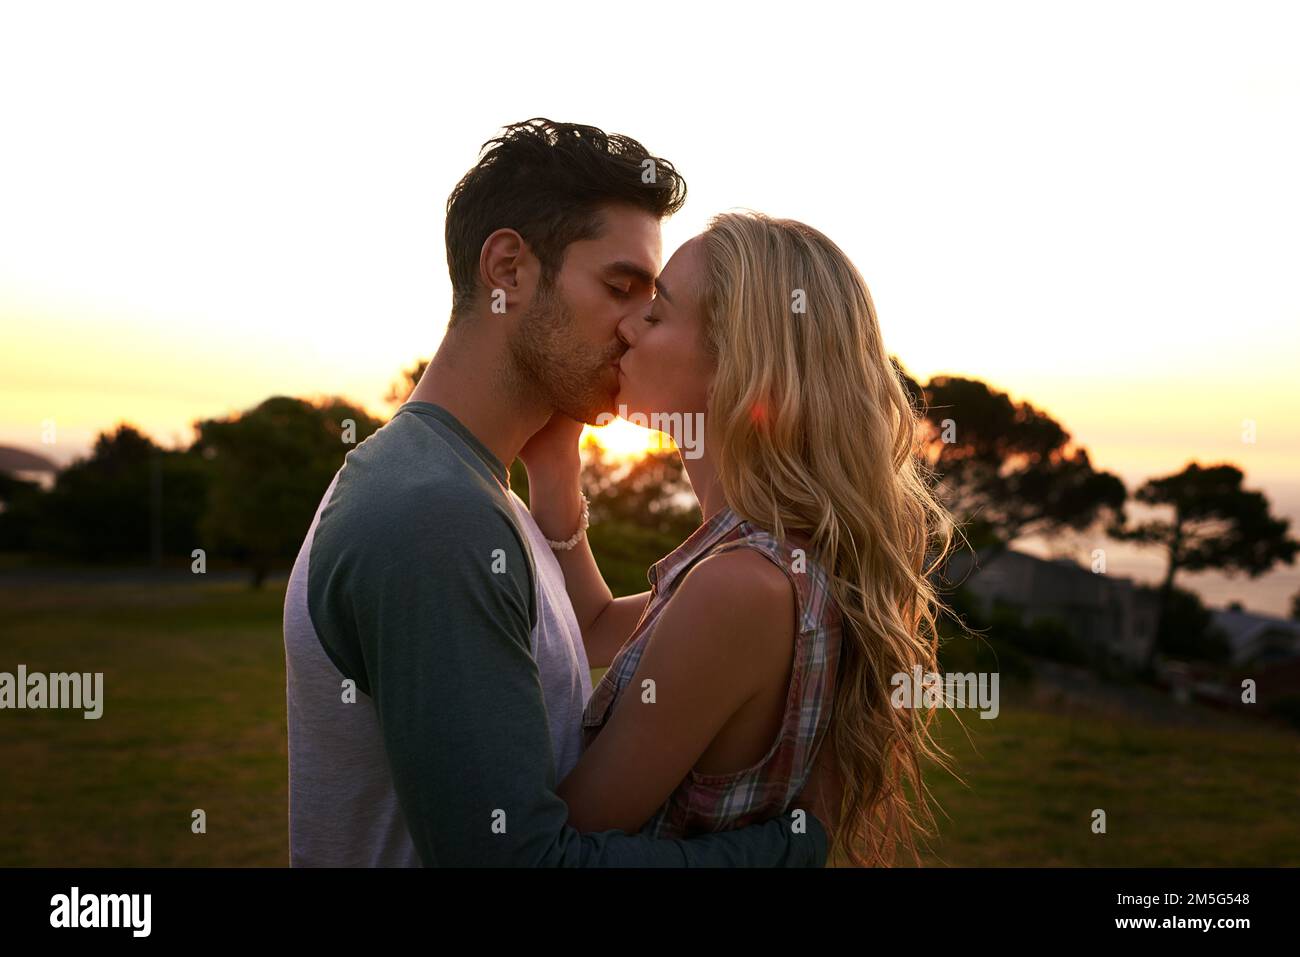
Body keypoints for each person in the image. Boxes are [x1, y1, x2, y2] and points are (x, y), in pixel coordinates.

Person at [283, 119, 832, 866]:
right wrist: (779, 853)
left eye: (657, 303)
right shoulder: (434, 515)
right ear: (509, 270)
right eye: (620, 287)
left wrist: (555, 472)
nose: (636, 323)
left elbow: (600, 625)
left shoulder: (479, 494)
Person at [522, 211, 960, 867]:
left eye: (658, 313)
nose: (626, 326)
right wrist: (555, 465)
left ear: (736, 366)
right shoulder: (773, 562)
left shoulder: (738, 589)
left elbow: (557, 850)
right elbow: (586, 626)